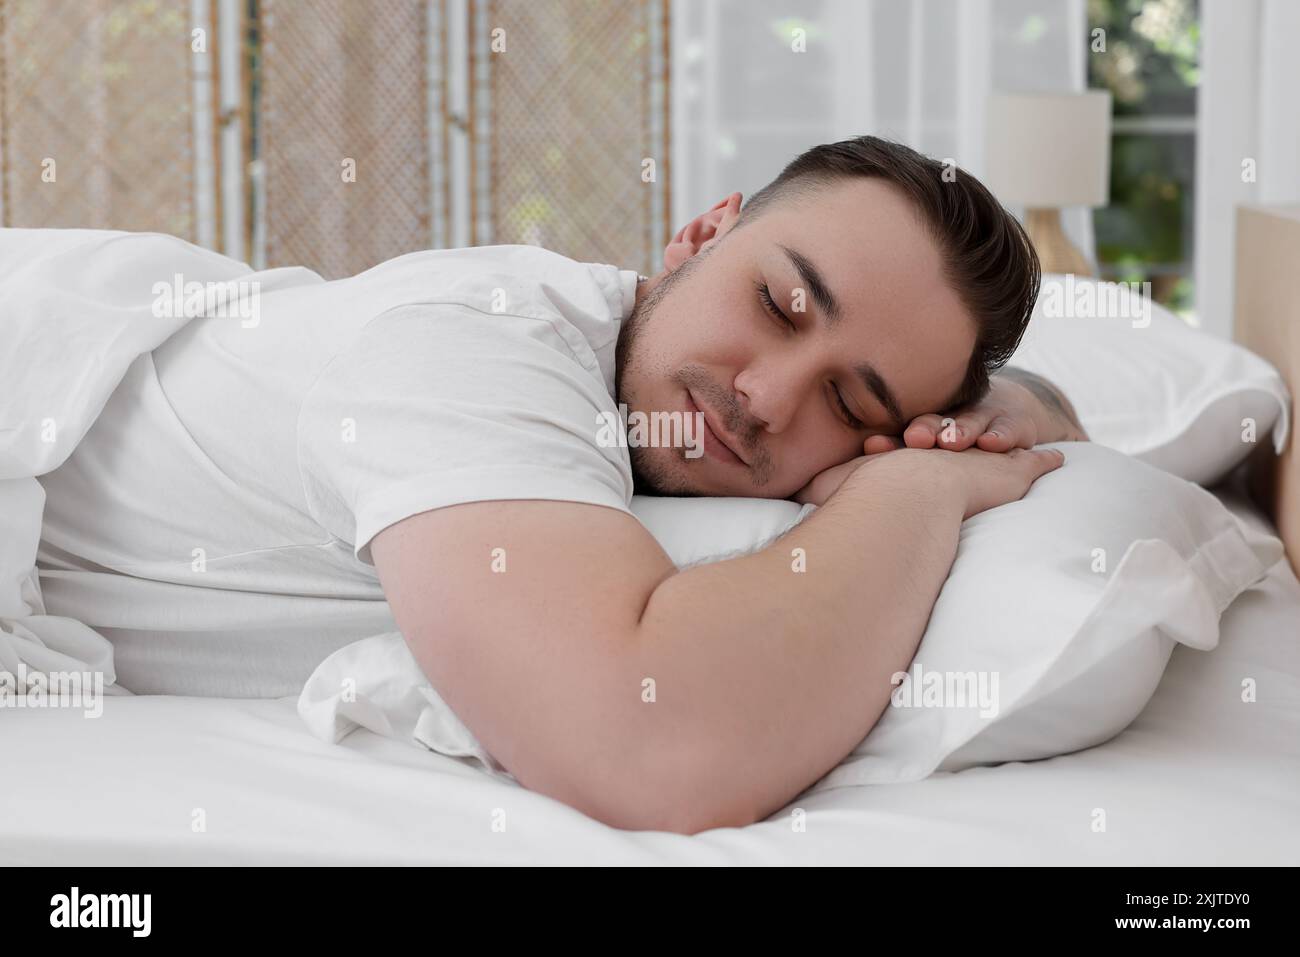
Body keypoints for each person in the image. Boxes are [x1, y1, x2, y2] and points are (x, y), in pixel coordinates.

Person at [33, 135, 1086, 832]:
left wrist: (1025, 406)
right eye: (775, 302)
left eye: (851, 408)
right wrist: (914, 494)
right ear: (701, 233)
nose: (764, 398)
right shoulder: (474, 347)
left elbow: (1060, 414)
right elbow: (644, 742)